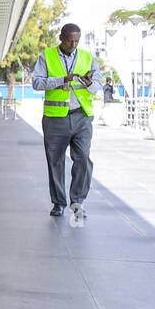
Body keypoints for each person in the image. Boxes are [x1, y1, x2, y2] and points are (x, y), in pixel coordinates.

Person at [32, 24, 102, 220]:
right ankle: (58, 203)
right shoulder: (47, 56)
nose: (74, 44)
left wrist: (89, 84)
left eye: (77, 40)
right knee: (55, 162)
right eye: (70, 40)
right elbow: (37, 83)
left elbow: (97, 85)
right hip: (55, 118)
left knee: (83, 158)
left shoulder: (87, 58)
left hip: (82, 116)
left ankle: (77, 201)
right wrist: (62, 79)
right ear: (61, 37)